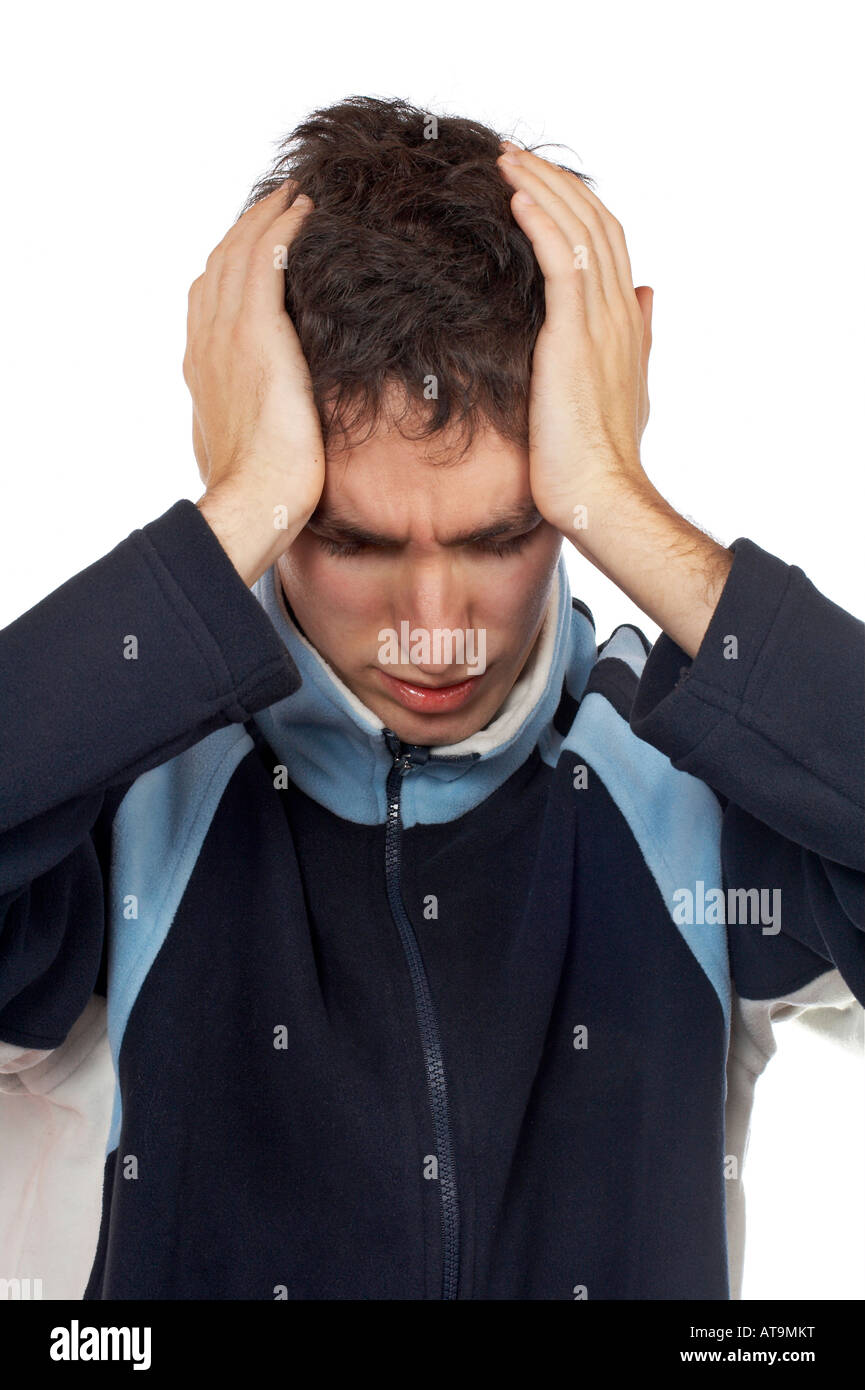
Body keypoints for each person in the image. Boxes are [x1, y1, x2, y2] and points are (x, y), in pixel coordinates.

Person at [0, 95, 862, 1301]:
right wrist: (228, 516)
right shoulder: (118, 795)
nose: (434, 627)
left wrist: (620, 501)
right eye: (347, 538)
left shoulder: (695, 780)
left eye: (506, 531)